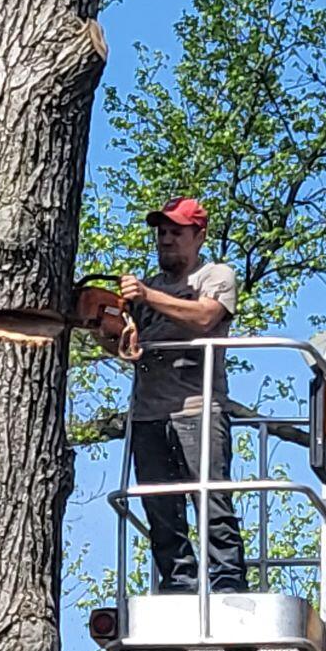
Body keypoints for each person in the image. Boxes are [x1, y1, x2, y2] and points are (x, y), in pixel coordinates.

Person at [119, 196, 249, 595]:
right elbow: (123, 340)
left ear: (199, 236)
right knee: (158, 504)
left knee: (210, 498)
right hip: (147, 413)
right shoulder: (149, 288)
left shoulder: (216, 276)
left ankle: (227, 583)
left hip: (199, 407)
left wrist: (144, 296)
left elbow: (206, 317)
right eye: (162, 232)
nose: (167, 239)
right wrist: (112, 329)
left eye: (176, 231)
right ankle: (178, 585)